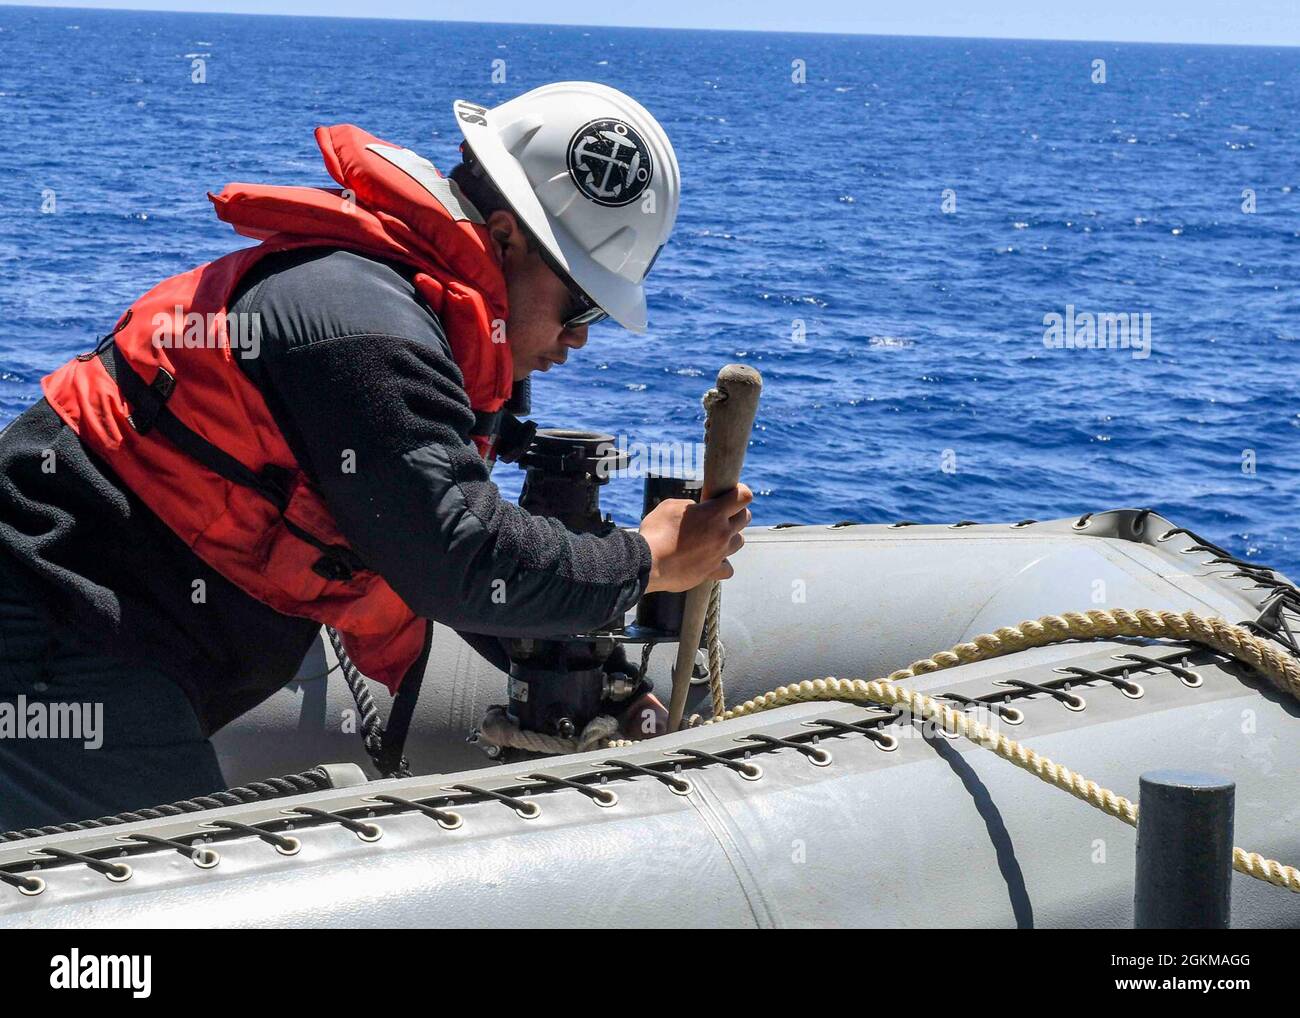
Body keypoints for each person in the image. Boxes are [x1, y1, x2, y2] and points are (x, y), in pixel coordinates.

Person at [0, 82, 752, 831]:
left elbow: (421, 541)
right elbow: (459, 558)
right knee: (157, 901)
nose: (581, 336)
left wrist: (605, 683)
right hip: (52, 638)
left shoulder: (400, 315)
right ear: (504, 237)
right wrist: (646, 559)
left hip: (104, 643)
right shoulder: (362, 326)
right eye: (580, 303)